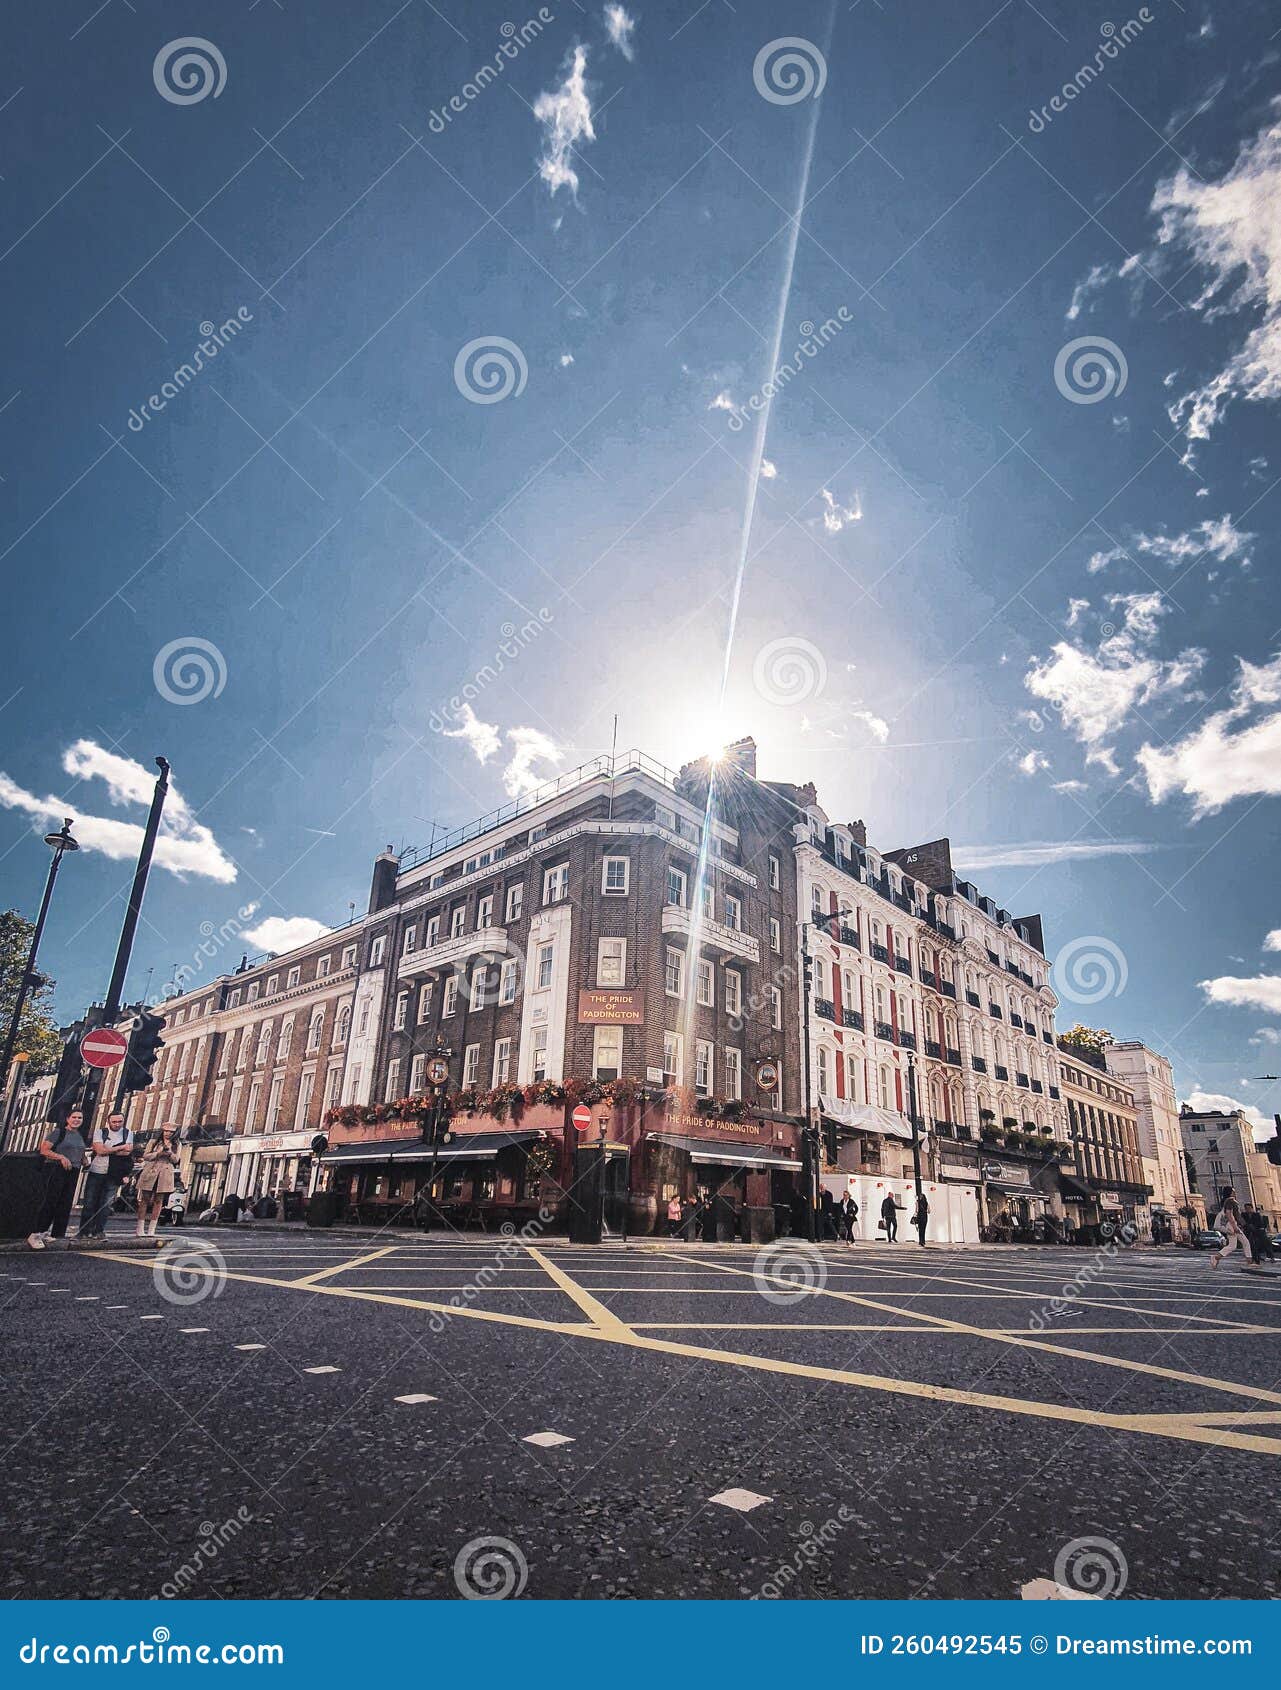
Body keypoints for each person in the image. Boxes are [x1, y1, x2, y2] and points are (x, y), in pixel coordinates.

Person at [27, 1111, 89, 1249]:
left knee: (64, 1203)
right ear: (67, 1118)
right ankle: (35, 1234)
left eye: (80, 1118)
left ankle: (51, 1234)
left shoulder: (79, 1135)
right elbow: (44, 1150)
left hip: (73, 1171)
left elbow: (79, 1152)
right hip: (56, 1169)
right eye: (74, 1117)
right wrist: (61, 1157)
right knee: (50, 1201)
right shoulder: (58, 1132)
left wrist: (84, 1160)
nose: (77, 1120)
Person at [76, 1111, 134, 1240]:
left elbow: (127, 1152)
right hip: (96, 1171)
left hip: (114, 1174)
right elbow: (100, 1150)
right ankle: (84, 1231)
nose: (117, 1124)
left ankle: (99, 1231)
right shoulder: (100, 1132)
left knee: (106, 1204)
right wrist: (120, 1147)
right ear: (108, 1122)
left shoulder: (128, 1133)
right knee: (90, 1202)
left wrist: (109, 1149)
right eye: (114, 1122)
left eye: (120, 1121)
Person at [135, 1124, 180, 1238]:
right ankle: (140, 1228)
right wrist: (158, 1153)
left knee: (159, 1200)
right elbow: (146, 1156)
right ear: (162, 1131)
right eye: (166, 1131)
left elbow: (176, 1160)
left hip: (165, 1172)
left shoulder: (177, 1144)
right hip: (151, 1170)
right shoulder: (153, 1141)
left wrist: (170, 1153)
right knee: (145, 1199)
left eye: (171, 1132)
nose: (168, 1133)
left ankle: (151, 1229)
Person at [1209, 1188, 1250, 1270]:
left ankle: (1216, 1257)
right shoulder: (1231, 1201)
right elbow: (1229, 1214)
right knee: (1243, 1243)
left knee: (1236, 1244)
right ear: (1230, 1193)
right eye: (1233, 1191)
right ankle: (1250, 1261)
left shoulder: (1229, 1201)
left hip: (1231, 1224)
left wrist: (1241, 1224)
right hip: (1231, 1224)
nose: (1235, 1192)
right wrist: (1235, 1227)